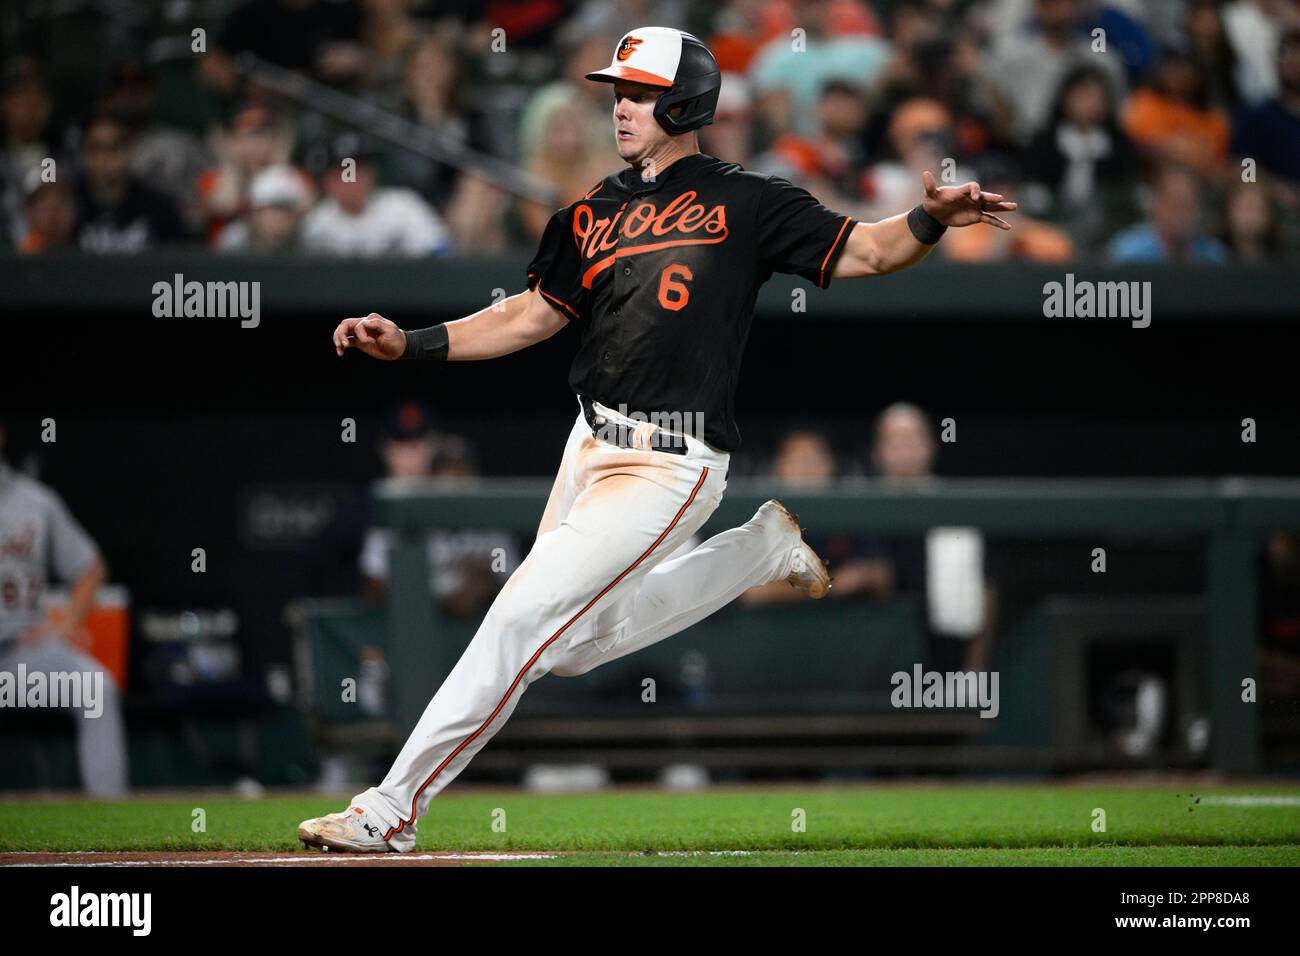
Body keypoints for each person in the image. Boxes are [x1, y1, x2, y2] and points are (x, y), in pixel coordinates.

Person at [299, 27, 1016, 852]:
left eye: (637, 93)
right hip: (588, 441)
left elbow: (870, 250)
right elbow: (529, 315)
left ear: (687, 101)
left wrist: (927, 217)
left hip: (669, 462)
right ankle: (753, 553)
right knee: (563, 650)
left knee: (518, 619)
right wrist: (415, 343)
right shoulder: (591, 210)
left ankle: (391, 809)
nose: (621, 107)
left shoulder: (748, 202)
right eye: (617, 93)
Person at [0, 424, 128, 798]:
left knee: (95, 687)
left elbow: (91, 569)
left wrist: (67, 624)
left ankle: (113, 821)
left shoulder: (35, 502)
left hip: (19, 660)